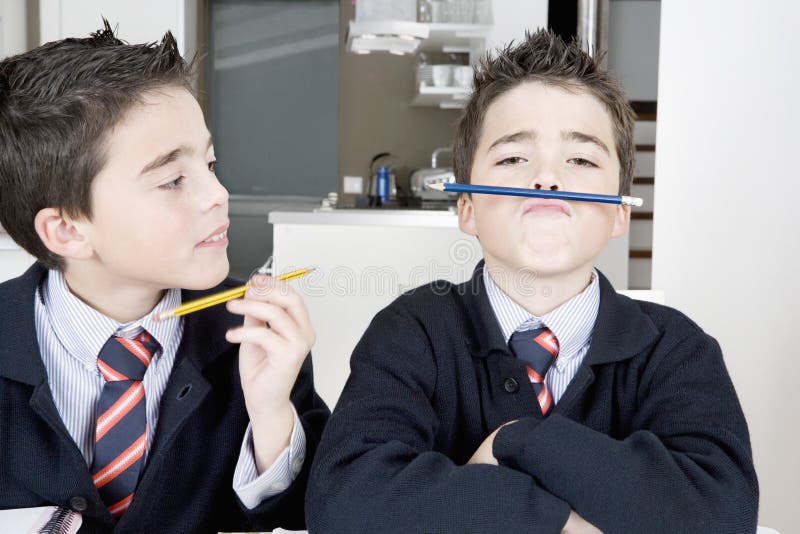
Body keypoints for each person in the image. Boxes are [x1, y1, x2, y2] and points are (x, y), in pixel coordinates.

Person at [306, 30, 758, 533]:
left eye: (581, 159)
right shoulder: (411, 332)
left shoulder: (679, 349)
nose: (546, 178)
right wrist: (553, 520)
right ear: (467, 208)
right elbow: (347, 501)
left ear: (619, 214)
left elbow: (721, 514)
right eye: (513, 158)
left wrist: (516, 440)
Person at [0, 22, 328, 532]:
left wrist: (271, 416)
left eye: (211, 163)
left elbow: (303, 508)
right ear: (67, 230)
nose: (218, 193)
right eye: (173, 180)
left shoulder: (251, 335)